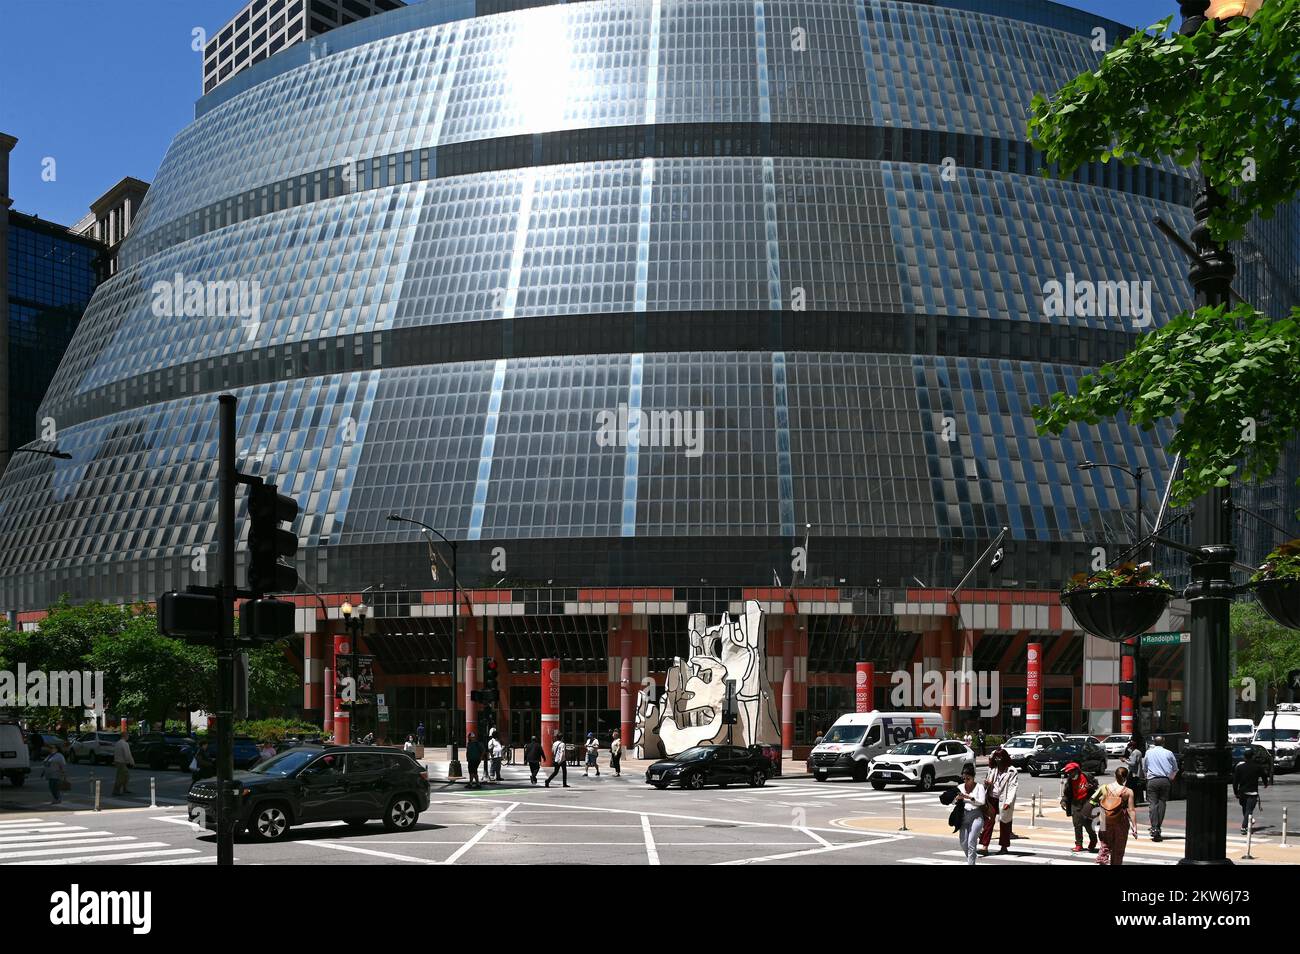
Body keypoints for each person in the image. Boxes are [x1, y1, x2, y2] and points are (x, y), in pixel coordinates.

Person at [1093, 765, 1139, 865]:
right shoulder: (1128, 791)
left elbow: (1094, 801)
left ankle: (1103, 860)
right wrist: (1134, 826)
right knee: (1118, 849)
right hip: (1120, 821)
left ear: (1115, 775)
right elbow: (1131, 810)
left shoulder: (1105, 788)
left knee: (1105, 845)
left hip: (1105, 820)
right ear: (1126, 777)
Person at [980, 747, 1019, 855]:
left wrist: (1008, 802)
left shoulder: (1012, 771)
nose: (998, 760)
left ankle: (1004, 847)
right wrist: (987, 783)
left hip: (1004, 799)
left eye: (1000, 757)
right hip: (992, 798)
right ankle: (985, 846)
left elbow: (1012, 787)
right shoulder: (993, 769)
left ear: (1005, 758)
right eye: (996, 758)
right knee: (989, 821)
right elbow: (987, 783)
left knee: (1004, 822)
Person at [1143, 736, 1179, 842]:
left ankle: (1154, 827)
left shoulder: (1149, 752)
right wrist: (1171, 777)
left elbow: (1145, 767)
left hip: (1152, 780)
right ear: (1164, 743)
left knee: (1153, 804)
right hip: (1165, 780)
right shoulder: (1169, 753)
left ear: (1154, 742)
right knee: (1162, 803)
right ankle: (1157, 826)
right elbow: (1175, 768)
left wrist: (1146, 776)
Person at [1060, 761, 1098, 853]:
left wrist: (1091, 786)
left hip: (1087, 802)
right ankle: (1079, 844)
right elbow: (1066, 793)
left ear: (1077, 770)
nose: (1069, 774)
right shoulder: (1069, 780)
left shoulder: (1086, 776)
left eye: (1071, 772)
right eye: (1068, 773)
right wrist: (1064, 801)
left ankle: (1093, 840)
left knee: (1088, 824)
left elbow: (1096, 785)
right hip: (1075, 803)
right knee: (1077, 824)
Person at [954, 764, 987, 864]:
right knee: (963, 842)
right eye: (964, 778)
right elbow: (952, 801)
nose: (965, 781)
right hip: (963, 816)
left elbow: (982, 801)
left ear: (973, 777)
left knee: (971, 842)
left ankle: (971, 863)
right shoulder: (960, 787)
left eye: (968, 778)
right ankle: (972, 859)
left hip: (976, 816)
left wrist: (969, 798)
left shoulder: (979, 787)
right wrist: (956, 799)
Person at [1233, 748, 1270, 835]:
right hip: (1252, 792)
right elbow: (1264, 775)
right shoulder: (1257, 767)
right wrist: (1266, 784)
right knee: (1249, 811)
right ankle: (1244, 827)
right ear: (1253, 757)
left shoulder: (1239, 768)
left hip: (1242, 792)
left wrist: (1236, 792)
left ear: (1244, 757)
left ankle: (1249, 820)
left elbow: (1235, 782)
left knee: (1245, 809)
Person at [112, 730, 135, 797]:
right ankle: (117, 790)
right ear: (125, 736)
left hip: (117, 761)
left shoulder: (117, 743)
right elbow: (127, 754)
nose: (128, 737)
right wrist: (131, 762)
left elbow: (115, 753)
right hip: (122, 762)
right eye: (127, 735)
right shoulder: (125, 744)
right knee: (122, 776)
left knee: (122, 775)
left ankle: (123, 788)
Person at [1125, 740, 1147, 806]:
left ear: (1132, 747)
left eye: (1129, 747)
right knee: (1135, 787)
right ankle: (1134, 801)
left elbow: (1133, 763)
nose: (1128, 749)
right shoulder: (1137, 752)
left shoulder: (1135, 752)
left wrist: (1125, 761)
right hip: (1136, 772)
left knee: (1129, 787)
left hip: (1134, 773)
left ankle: (1131, 802)